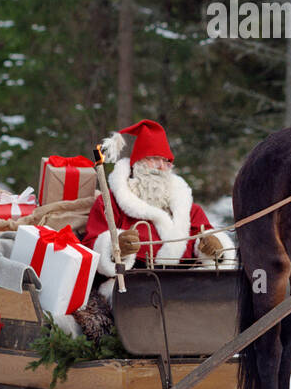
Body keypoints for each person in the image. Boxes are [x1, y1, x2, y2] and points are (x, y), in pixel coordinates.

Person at [84, 120, 233, 288]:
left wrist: (215, 251)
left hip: (185, 285)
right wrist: (114, 249)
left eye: (166, 161)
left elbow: (206, 238)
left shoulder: (189, 209)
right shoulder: (110, 204)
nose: (161, 167)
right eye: (154, 159)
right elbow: (91, 248)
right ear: (137, 162)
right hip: (131, 284)